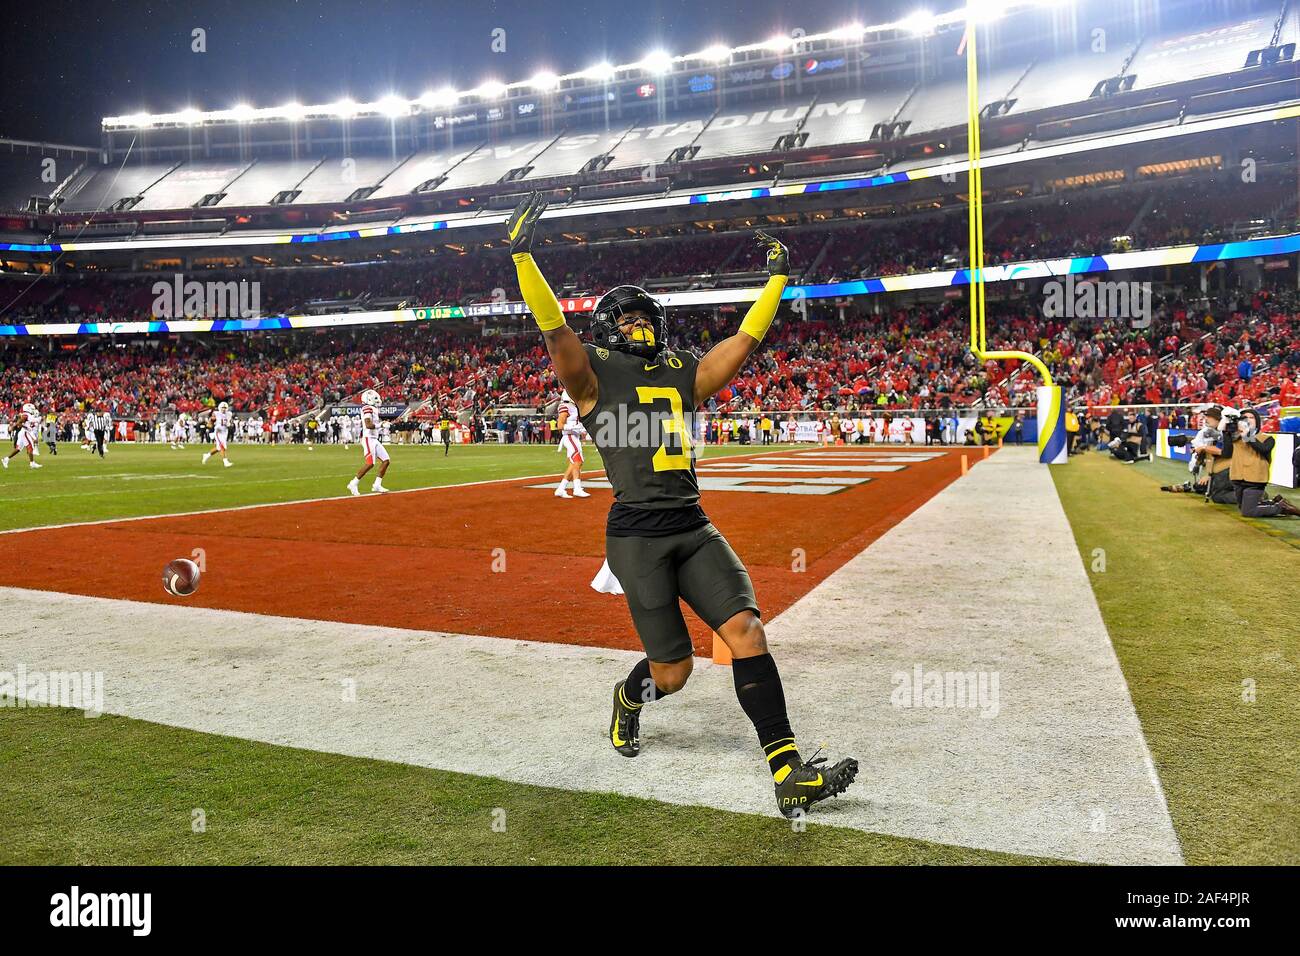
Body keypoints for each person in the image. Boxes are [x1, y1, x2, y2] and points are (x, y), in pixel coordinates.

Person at [507, 192, 857, 818]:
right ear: (612, 329)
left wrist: (777, 279)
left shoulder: (680, 371)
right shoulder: (592, 375)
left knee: (747, 632)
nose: (640, 325)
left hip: (693, 526)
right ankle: (630, 696)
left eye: (647, 318)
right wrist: (523, 259)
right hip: (637, 537)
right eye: (630, 319)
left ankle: (787, 770)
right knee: (674, 673)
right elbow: (555, 330)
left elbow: (743, 343)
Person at [1227, 408, 1300, 517]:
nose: (1248, 420)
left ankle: (1281, 508)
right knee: (1244, 508)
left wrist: (1248, 435)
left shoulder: (1266, 438)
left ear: (1257, 421)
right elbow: (1226, 452)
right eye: (1245, 418)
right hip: (1237, 478)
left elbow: (1263, 449)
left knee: (1248, 512)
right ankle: (1274, 502)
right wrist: (1225, 431)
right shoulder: (1235, 438)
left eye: (1251, 418)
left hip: (1255, 479)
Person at [347, 389, 390, 495]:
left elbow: (373, 426)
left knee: (386, 460)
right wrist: (381, 425)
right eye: (375, 398)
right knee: (370, 463)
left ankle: (377, 485)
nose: (377, 400)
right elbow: (368, 425)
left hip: (374, 438)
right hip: (368, 438)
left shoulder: (373, 409)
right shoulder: (367, 408)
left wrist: (383, 426)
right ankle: (353, 483)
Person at [554, 389, 589, 499]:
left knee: (575, 463)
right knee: (577, 461)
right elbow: (559, 425)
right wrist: (574, 427)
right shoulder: (565, 406)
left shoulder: (574, 407)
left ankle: (561, 488)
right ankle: (577, 488)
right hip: (569, 436)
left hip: (574, 436)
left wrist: (581, 429)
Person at [2, 402, 43, 470]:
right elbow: (19, 423)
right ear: (28, 409)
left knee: (18, 449)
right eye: (32, 409)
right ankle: (32, 463)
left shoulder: (28, 415)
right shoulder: (26, 415)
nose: (33, 410)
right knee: (30, 447)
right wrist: (24, 427)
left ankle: (6, 459)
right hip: (25, 432)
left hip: (24, 432)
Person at [201, 401, 234, 468]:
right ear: (219, 408)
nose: (224, 409)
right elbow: (210, 422)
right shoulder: (216, 414)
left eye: (225, 408)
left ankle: (206, 455)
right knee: (222, 447)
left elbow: (230, 423)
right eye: (222, 408)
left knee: (218, 448)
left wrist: (229, 424)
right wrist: (210, 428)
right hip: (218, 432)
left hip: (225, 432)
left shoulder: (229, 414)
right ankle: (225, 462)